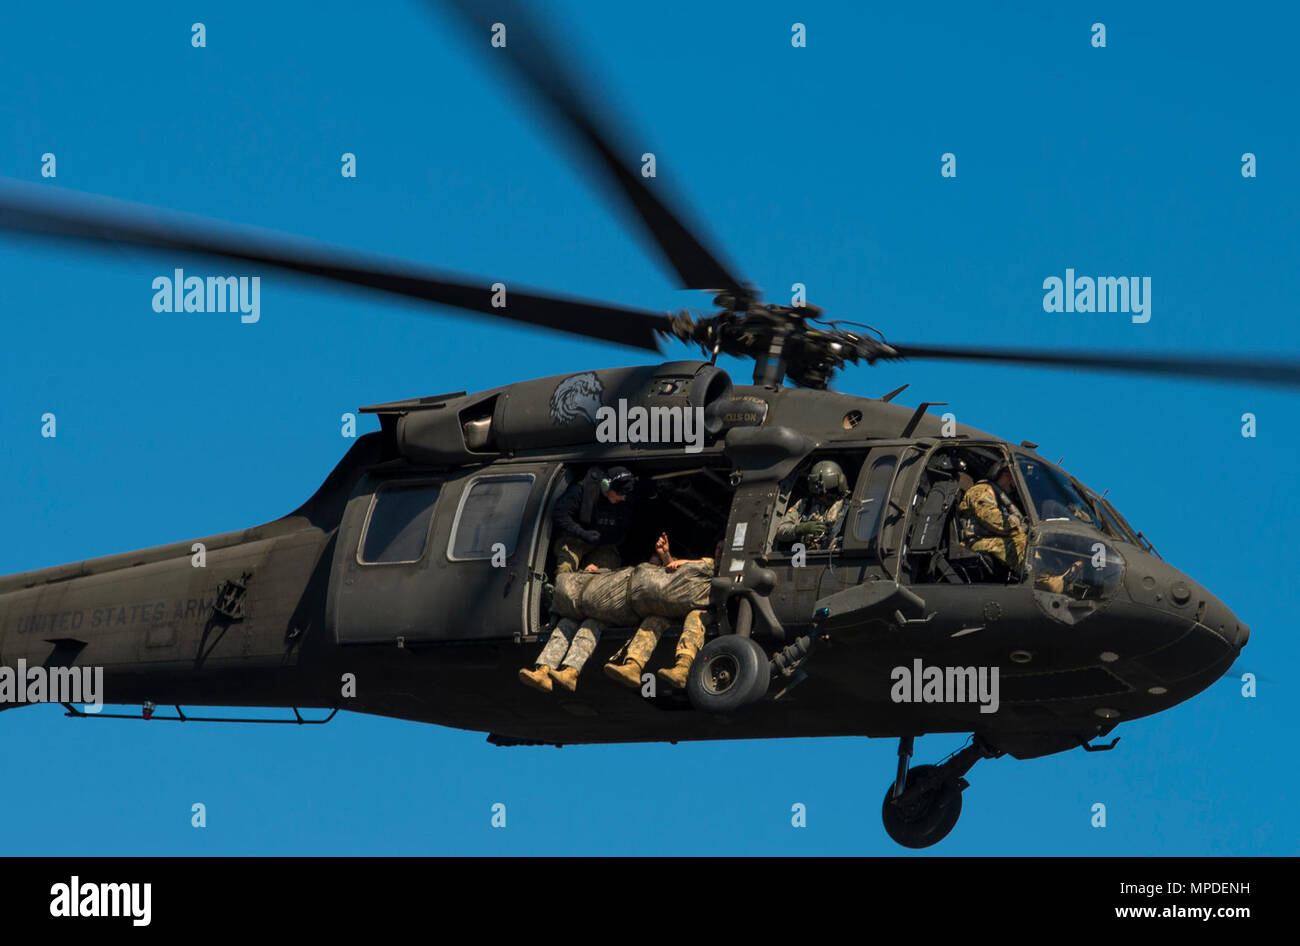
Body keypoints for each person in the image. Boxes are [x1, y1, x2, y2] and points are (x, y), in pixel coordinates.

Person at [603, 535, 715, 690]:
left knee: (695, 617)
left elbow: (697, 564)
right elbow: (674, 573)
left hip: (705, 610)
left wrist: (684, 562)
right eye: (718, 549)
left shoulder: (714, 565)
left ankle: (683, 668)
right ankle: (633, 666)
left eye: (723, 549)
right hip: (678, 607)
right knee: (654, 619)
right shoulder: (703, 565)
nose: (719, 552)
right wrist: (665, 555)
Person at [550, 465, 637, 574]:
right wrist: (582, 533)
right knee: (564, 569)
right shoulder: (582, 490)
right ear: (606, 486)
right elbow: (560, 514)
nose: (623, 498)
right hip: (576, 539)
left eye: (626, 494)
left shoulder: (623, 501)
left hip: (604, 544)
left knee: (604, 575)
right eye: (620, 493)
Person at [956, 460, 1028, 574]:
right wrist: (1019, 527)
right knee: (1022, 548)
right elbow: (990, 518)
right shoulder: (981, 490)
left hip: (992, 539)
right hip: (976, 542)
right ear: (1007, 475)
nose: (1016, 486)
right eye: (1016, 480)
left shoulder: (1003, 498)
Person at [518, 615, 606, 693]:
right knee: (565, 624)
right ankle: (543, 672)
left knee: (588, 627)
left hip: (603, 617)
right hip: (583, 613)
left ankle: (571, 673)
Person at [775, 460, 849, 551]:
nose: (823, 498)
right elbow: (781, 531)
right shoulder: (804, 504)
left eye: (830, 493)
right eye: (819, 495)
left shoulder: (849, 507)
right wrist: (800, 529)